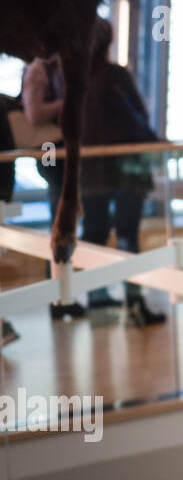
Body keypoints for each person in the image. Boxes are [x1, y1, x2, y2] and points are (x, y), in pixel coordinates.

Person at [79, 20, 166, 325]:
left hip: (90, 171)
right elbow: (137, 117)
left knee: (94, 235)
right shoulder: (115, 76)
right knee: (127, 236)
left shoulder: (75, 80)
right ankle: (133, 305)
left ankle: (98, 301)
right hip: (126, 168)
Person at [21, 55, 84, 320]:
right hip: (49, 148)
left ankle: (60, 294)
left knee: (60, 216)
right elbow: (34, 114)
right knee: (59, 220)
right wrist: (67, 105)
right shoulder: (40, 69)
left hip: (57, 149)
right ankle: (58, 295)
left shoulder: (54, 67)